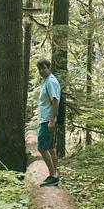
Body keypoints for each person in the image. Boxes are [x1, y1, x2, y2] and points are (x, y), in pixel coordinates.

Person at [35, 58, 61, 186]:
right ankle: (55, 173)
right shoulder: (46, 81)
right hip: (45, 120)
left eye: (44, 68)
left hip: (47, 120)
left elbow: (55, 101)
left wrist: (51, 120)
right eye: (40, 69)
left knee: (41, 148)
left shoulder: (51, 81)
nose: (42, 71)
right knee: (50, 148)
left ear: (49, 68)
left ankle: (52, 176)